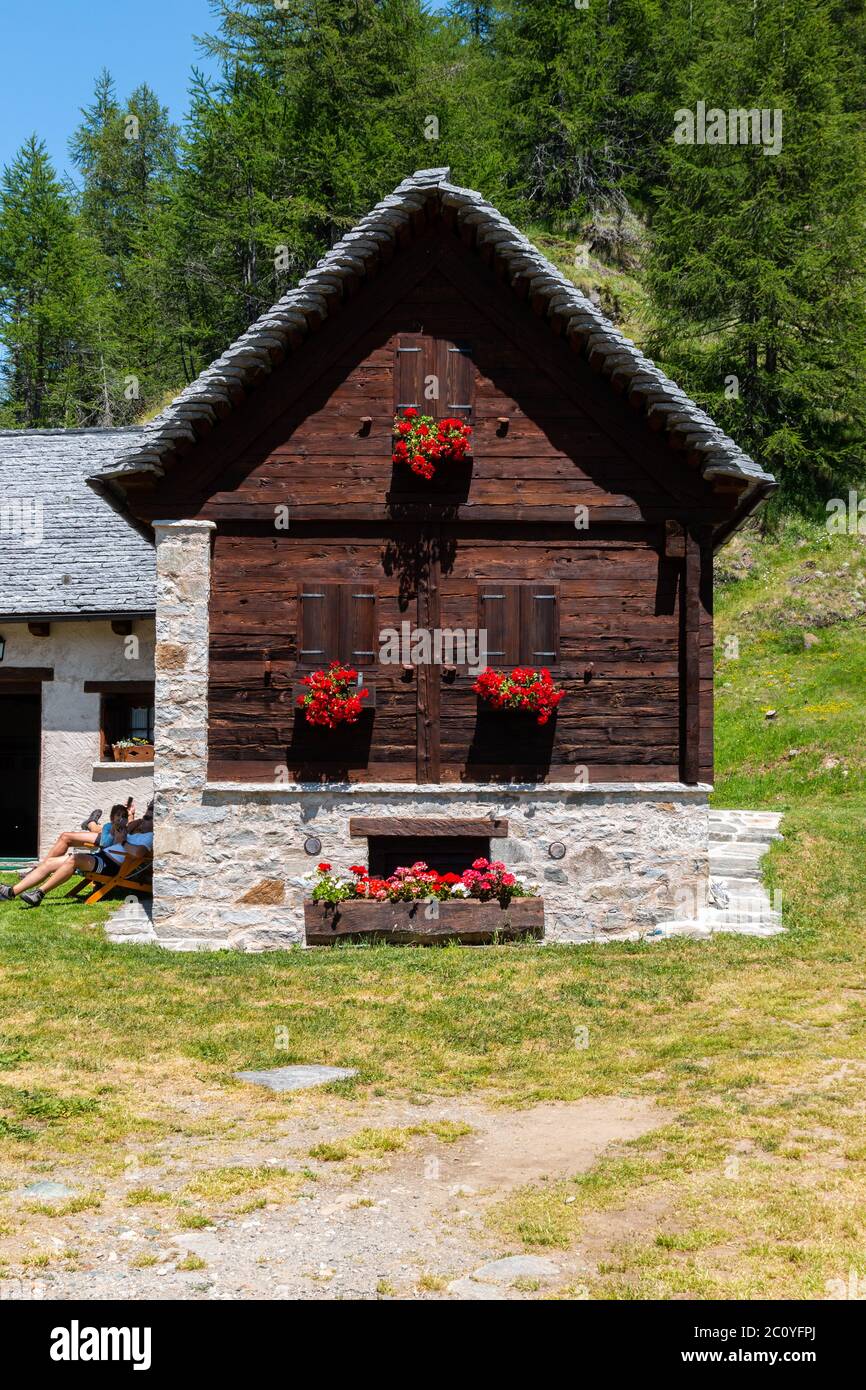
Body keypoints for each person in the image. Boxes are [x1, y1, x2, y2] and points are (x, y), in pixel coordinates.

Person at [0, 809, 152, 909]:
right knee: (50, 862)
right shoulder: (138, 834)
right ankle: (11, 892)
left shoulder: (150, 837)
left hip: (110, 865)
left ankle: (39, 894)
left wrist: (123, 841)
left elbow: (138, 853)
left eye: (147, 818)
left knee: (74, 859)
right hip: (102, 857)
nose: (143, 820)